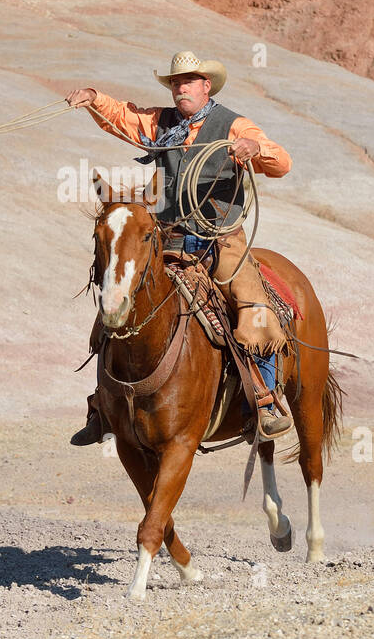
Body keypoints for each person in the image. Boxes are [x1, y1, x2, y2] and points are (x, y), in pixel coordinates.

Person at [66, 48, 293, 443]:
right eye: (175, 82)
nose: (180, 88)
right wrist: (93, 97)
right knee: (116, 300)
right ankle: (103, 404)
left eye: (187, 81)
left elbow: (282, 162)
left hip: (219, 239)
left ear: (206, 86)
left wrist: (255, 150)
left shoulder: (233, 125)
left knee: (253, 307)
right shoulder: (161, 124)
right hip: (167, 237)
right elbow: (122, 117)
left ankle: (265, 399)